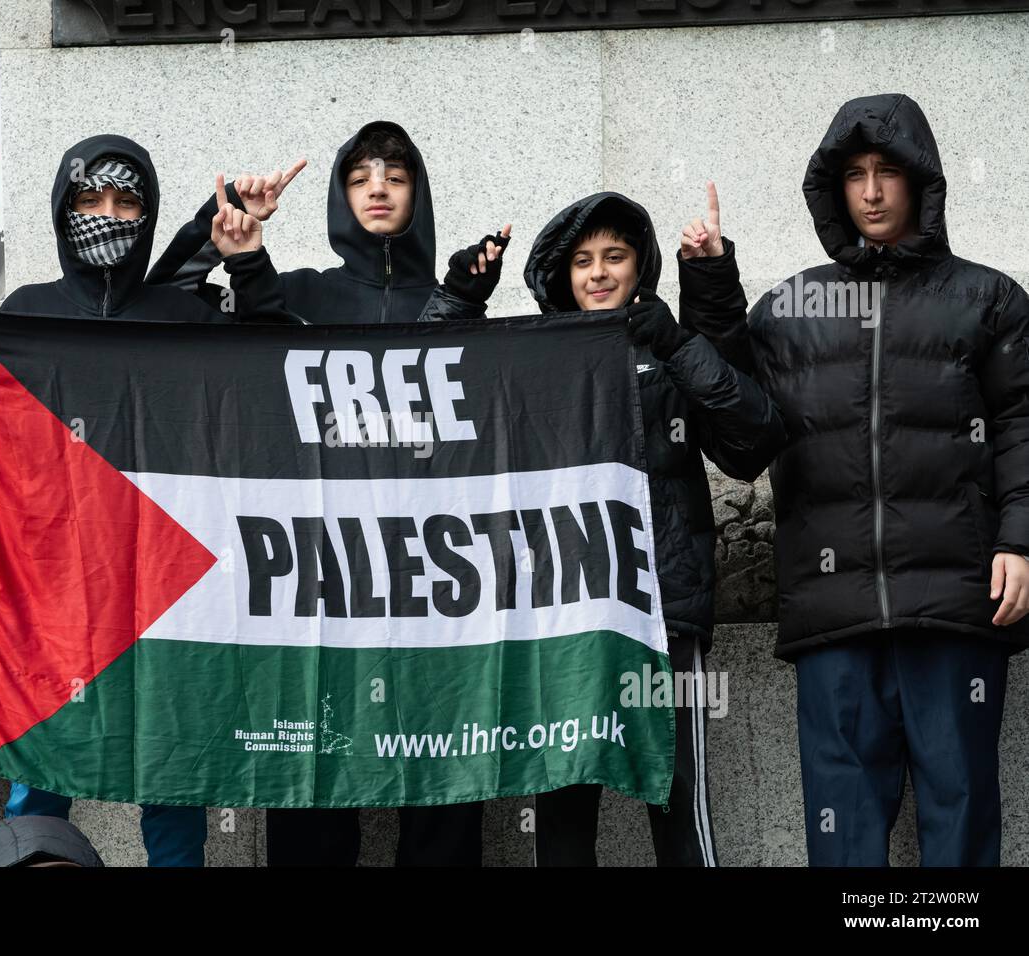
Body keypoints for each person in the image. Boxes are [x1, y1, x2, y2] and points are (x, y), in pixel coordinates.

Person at [678, 93, 1029, 865]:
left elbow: (1020, 426)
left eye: (888, 173)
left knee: (961, 809)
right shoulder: (792, 307)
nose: (871, 192)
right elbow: (739, 429)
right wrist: (708, 285)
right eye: (856, 176)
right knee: (843, 826)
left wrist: (1020, 541)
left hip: (955, 601)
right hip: (833, 613)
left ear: (921, 183)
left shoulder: (990, 300)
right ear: (833, 189)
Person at [0, 134, 290, 867]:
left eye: (127, 200)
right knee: (38, 794)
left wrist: (248, 259)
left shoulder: (186, 315)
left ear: (150, 212)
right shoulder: (25, 313)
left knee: (175, 794)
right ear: (63, 211)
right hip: (54, 604)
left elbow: (275, 373)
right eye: (90, 199)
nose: (108, 214)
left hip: (174, 597)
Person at [149, 121, 495, 866]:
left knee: (441, 782)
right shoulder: (292, 290)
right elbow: (167, 303)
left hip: (429, 589)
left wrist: (468, 304)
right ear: (342, 196)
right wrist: (227, 236)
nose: (377, 188)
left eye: (395, 177)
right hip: (313, 586)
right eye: (361, 177)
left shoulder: (456, 296)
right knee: (308, 789)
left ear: (417, 195)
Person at [422, 191, 784, 865]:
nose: (597, 272)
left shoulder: (672, 351)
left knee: (678, 801)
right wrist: (459, 298)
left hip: (664, 615)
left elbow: (751, 437)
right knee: (563, 805)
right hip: (565, 619)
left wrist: (683, 329)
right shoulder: (529, 362)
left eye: (614, 256)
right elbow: (427, 412)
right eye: (582, 260)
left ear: (636, 266)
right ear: (561, 277)